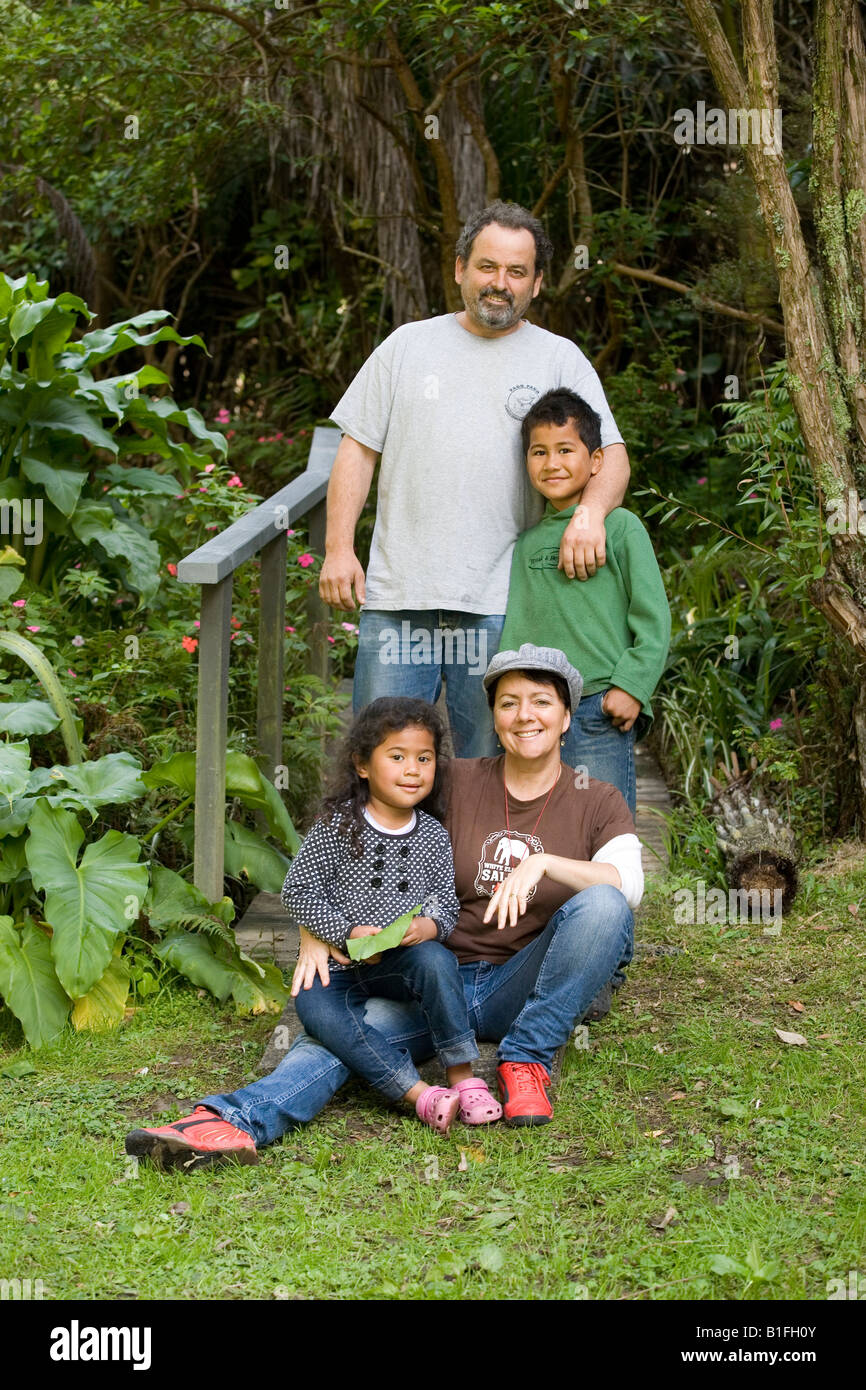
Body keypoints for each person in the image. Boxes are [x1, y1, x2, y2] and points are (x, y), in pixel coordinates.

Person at [125, 647, 642, 1170]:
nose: (524, 715)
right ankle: (228, 1123)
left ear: (567, 715)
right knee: (343, 1037)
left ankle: (526, 1058)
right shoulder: (454, 778)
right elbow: (363, 828)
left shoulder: (596, 799)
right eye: (509, 702)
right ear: (494, 716)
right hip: (430, 979)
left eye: (541, 701)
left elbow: (630, 886)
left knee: (604, 902)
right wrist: (317, 926)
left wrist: (544, 863)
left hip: (521, 982)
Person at [319, 199, 631, 757]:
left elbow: (612, 455)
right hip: (398, 601)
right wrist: (338, 547)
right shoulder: (406, 347)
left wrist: (589, 514)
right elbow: (357, 450)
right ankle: (385, 851)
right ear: (460, 268)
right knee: (382, 762)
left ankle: (476, 852)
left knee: (492, 770)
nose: (499, 283)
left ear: (536, 284)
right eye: (487, 267)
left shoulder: (559, 359)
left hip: (504, 606)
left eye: (516, 272)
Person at [284, 697, 502, 1134]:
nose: (412, 769)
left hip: (400, 961)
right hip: (338, 962)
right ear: (362, 764)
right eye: (397, 756)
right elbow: (298, 891)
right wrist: (343, 931)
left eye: (424, 758)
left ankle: (462, 1074)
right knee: (317, 1012)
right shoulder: (337, 825)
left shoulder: (433, 835)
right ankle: (417, 1092)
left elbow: (446, 899)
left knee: (439, 962)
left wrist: (431, 926)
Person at [498, 389, 671, 814]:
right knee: (541, 822)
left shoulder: (621, 527)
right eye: (539, 452)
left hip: (598, 706)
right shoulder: (527, 542)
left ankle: (608, 886)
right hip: (537, 713)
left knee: (602, 823)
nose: (551, 463)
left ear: (596, 461)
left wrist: (632, 686)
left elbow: (654, 618)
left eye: (565, 450)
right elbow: (518, 625)